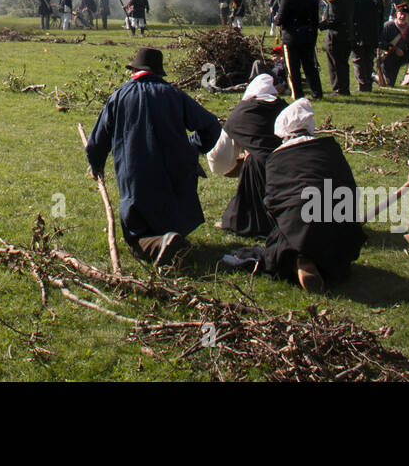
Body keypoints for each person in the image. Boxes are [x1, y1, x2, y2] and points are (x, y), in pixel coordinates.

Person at [84, 47, 222, 266]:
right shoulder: (174, 94)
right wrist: (193, 147)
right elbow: (211, 126)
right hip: (176, 179)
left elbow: (95, 144)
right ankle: (172, 237)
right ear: (158, 73)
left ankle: (159, 244)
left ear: (135, 70)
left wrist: (96, 166)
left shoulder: (119, 96)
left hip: (137, 180)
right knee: (170, 216)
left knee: (135, 237)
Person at [225, 99, 365, 292]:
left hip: (300, 231)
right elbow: (350, 189)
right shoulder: (331, 149)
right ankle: (324, 260)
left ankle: (300, 260)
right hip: (342, 233)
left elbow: (272, 202)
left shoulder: (277, 158)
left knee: (281, 242)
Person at [207, 73, 286, 238]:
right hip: (292, 167)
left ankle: (252, 221)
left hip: (263, 172)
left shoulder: (241, 114)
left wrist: (234, 164)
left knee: (252, 161)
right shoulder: (284, 108)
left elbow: (219, 155)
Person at [275, 0, 322, 99]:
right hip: (308, 37)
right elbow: (315, 21)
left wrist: (276, 19)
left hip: (291, 38)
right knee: (310, 67)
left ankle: (297, 94)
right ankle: (317, 93)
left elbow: (280, 19)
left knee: (293, 68)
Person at [318, 0, 353, 95]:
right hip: (348, 34)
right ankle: (344, 87)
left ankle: (339, 88)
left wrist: (321, 25)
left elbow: (334, 19)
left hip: (336, 35)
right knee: (343, 62)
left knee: (335, 63)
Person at [350, 0, 382, 93]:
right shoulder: (377, 0)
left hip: (359, 35)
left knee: (358, 60)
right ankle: (368, 84)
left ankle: (362, 85)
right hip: (373, 35)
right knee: (368, 61)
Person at [378, 4, 409, 87]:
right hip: (389, 57)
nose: (402, 16)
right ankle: (376, 77)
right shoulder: (388, 26)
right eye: (400, 14)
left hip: (402, 56)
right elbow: (380, 42)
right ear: (396, 14)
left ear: (408, 17)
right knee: (388, 84)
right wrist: (394, 49)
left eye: (405, 15)